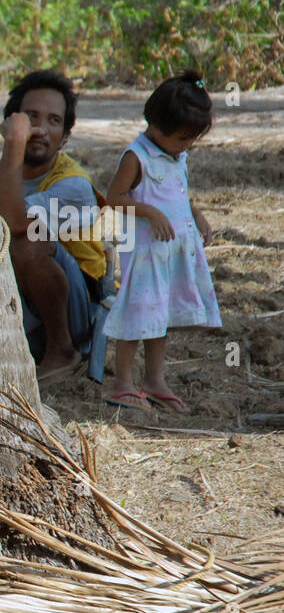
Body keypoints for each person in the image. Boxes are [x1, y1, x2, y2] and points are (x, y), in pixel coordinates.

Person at [101, 70, 220, 412]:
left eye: (190, 140)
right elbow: (114, 198)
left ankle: (154, 379)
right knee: (136, 313)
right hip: (145, 255)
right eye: (182, 139)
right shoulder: (136, 157)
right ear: (156, 126)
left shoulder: (176, 155)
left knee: (160, 316)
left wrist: (196, 215)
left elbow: (180, 193)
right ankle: (122, 382)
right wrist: (150, 213)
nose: (187, 147)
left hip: (170, 253)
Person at [0, 70, 108, 380]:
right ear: (11, 120)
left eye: (54, 121)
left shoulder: (74, 184)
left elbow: (15, 222)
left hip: (75, 311)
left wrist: (14, 144)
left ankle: (61, 351)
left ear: (66, 136)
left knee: (29, 240)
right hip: (15, 306)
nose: (41, 129)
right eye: (31, 117)